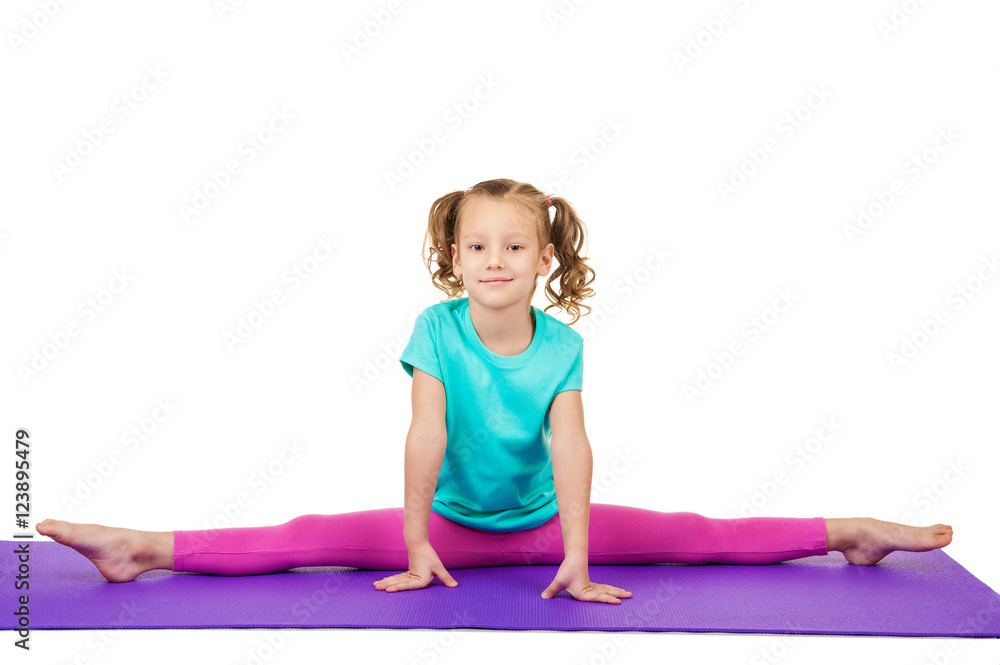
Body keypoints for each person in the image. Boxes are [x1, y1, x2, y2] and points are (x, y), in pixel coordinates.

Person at [37, 178, 953, 605]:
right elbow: (425, 434)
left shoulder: (562, 346)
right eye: (478, 247)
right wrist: (414, 541)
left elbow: (574, 451)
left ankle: (851, 530)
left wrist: (581, 558)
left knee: (695, 535)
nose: (496, 261)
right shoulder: (435, 329)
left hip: (549, 521)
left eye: (515, 247)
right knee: (301, 538)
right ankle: (139, 546)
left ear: (545, 259)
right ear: (454, 258)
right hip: (452, 525)